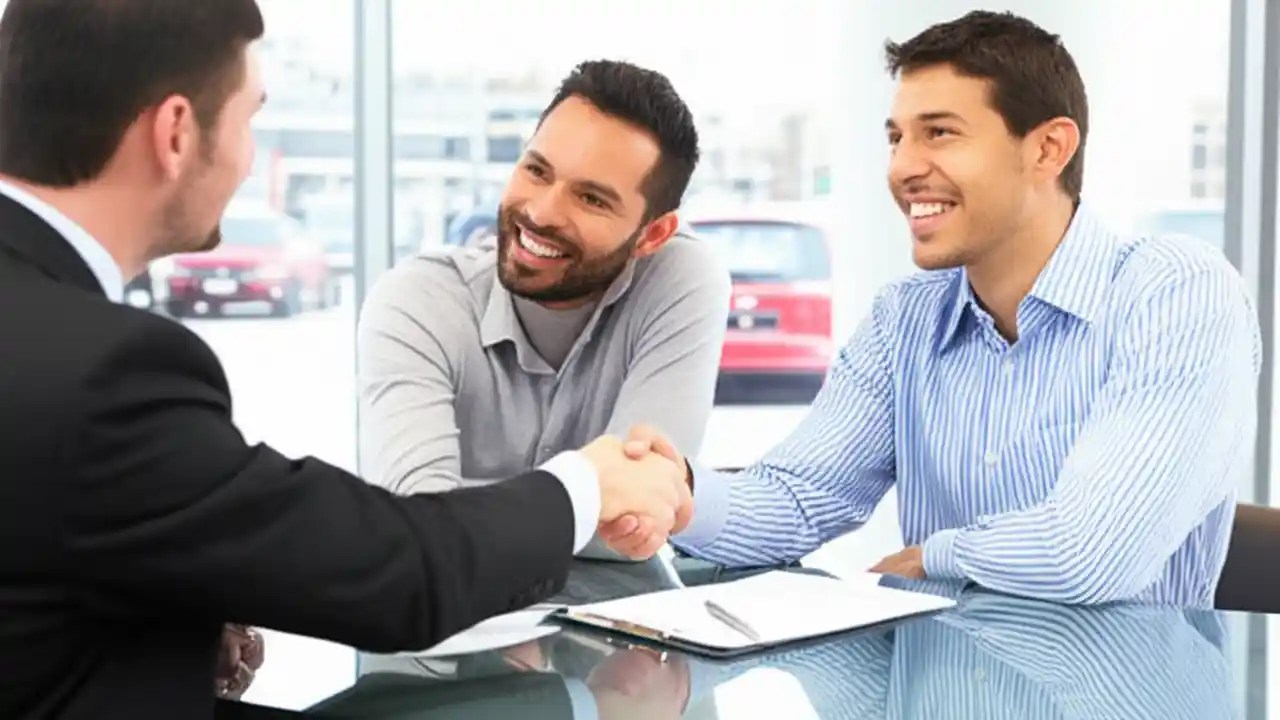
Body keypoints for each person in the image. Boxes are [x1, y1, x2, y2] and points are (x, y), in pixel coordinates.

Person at [0, 2, 689, 718]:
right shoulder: (108, 373)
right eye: (248, 120)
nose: (247, 156)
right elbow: (397, 576)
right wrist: (586, 486)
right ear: (176, 133)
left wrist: (173, 609)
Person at [606, 10, 1261, 608]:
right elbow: (801, 496)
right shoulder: (904, 320)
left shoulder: (1177, 292)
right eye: (896, 138)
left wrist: (934, 557)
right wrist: (681, 495)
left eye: (940, 134)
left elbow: (1092, 553)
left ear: (1048, 149)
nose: (903, 168)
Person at [357, 60, 730, 558]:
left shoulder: (680, 277)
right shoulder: (418, 301)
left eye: (592, 199)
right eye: (536, 170)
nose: (541, 212)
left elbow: (637, 518)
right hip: (442, 630)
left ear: (652, 235)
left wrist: (474, 516)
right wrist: (587, 495)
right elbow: (419, 537)